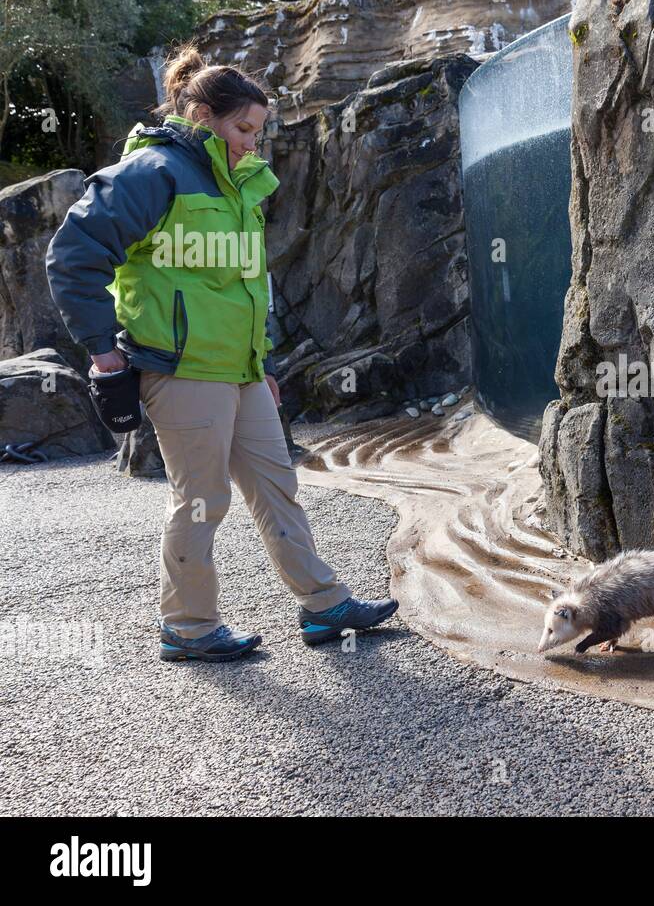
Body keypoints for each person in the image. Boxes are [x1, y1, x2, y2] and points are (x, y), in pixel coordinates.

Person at [45, 44, 398, 663]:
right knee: (204, 499)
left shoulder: (237, 188)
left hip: (238, 370)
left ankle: (324, 606)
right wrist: (103, 354)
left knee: (277, 484)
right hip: (178, 369)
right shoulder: (152, 172)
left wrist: (260, 365)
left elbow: (242, 286)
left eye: (258, 132)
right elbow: (72, 255)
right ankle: (187, 627)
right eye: (242, 128)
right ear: (203, 114)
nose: (250, 143)